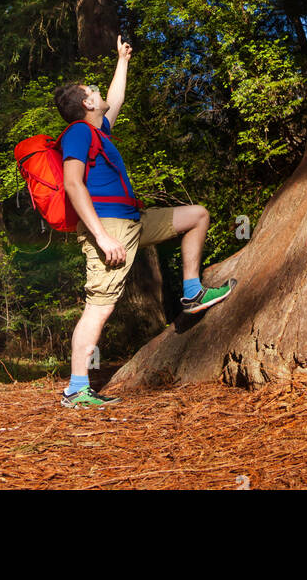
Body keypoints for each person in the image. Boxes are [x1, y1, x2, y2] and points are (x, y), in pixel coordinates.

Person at [56, 35, 234, 408]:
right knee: (99, 308)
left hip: (133, 221)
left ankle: (191, 291)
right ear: (87, 103)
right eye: (92, 89)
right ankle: (76, 388)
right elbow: (73, 184)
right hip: (110, 228)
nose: (98, 91)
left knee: (197, 215)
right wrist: (102, 238)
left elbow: (115, 99)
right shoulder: (77, 133)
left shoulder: (98, 131)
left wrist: (122, 60)